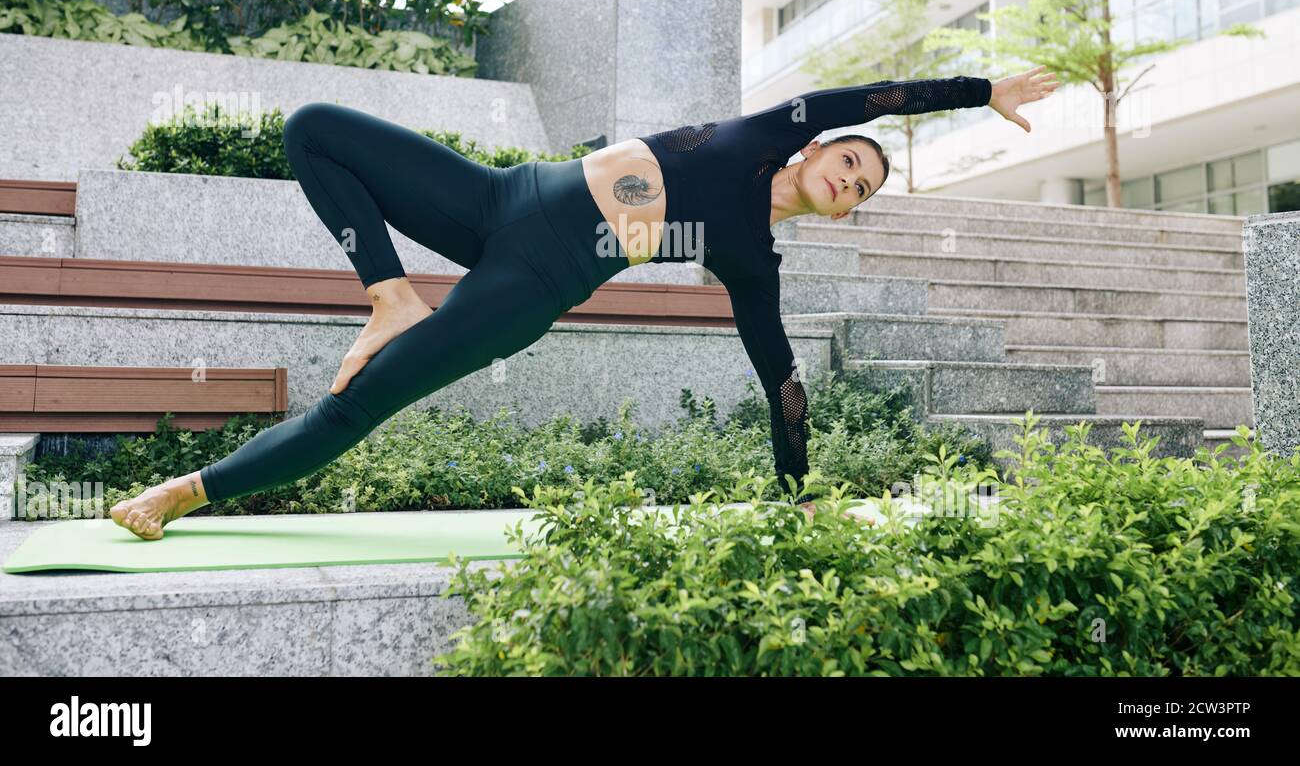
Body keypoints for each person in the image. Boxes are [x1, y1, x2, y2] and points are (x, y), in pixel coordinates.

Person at [110, 66, 1059, 538]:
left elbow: (784, 382)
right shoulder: (780, 125)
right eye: (850, 160)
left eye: (863, 189)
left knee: (360, 404)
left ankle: (186, 494)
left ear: (844, 213)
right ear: (819, 148)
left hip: (536, 281)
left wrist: (797, 491)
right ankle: (389, 295)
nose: (850, 177)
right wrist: (983, 92)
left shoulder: (750, 257)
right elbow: (885, 92)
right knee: (314, 128)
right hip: (503, 196)